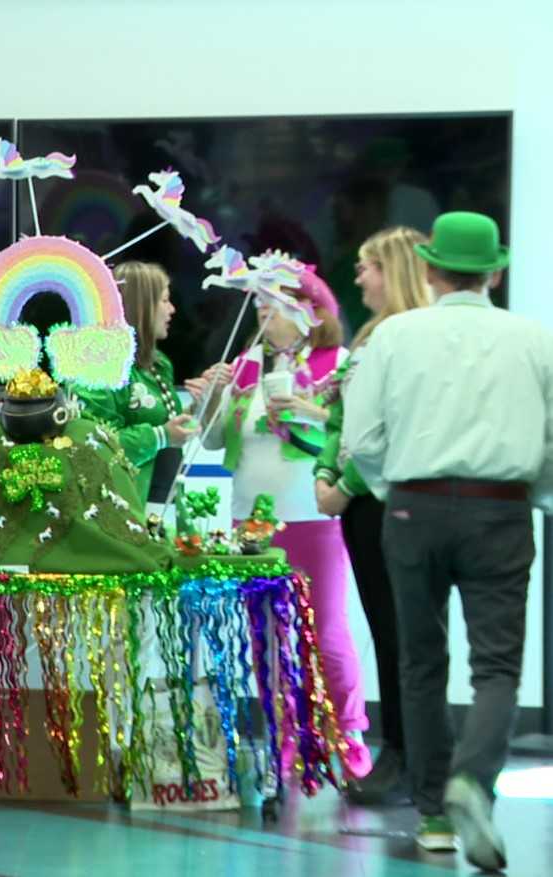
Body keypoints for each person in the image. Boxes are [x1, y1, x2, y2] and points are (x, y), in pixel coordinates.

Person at [345, 211, 549, 870]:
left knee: (419, 661)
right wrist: (533, 491)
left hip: (413, 508)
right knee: (496, 666)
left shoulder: (395, 337)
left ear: (429, 270)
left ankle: (432, 815)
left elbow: (361, 442)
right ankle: (473, 781)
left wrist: (391, 491)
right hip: (501, 510)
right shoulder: (534, 340)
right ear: (496, 270)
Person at [198, 267, 370, 779]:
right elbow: (210, 442)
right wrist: (213, 395)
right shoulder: (247, 366)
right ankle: (284, 732)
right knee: (266, 633)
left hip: (313, 517)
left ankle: (350, 733)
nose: (262, 312)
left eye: (272, 302)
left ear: (308, 312)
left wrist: (305, 410)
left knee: (328, 630)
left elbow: (353, 436)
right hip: (250, 522)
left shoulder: (335, 364)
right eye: (258, 305)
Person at [313, 226, 434, 805]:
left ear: (396, 270)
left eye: (368, 267)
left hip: (388, 500)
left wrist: (344, 485)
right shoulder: (368, 336)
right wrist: (324, 473)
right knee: (388, 632)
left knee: (401, 633)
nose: (358, 277)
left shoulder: (411, 337)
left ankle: (411, 756)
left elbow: (388, 428)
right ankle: (403, 752)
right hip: (359, 501)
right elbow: (342, 419)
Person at [70, 262, 198, 503]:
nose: (172, 310)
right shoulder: (99, 368)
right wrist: (159, 436)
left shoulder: (159, 365)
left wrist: (202, 403)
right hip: (116, 508)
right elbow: (93, 444)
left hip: (160, 503)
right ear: (141, 307)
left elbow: (167, 425)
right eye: (165, 300)